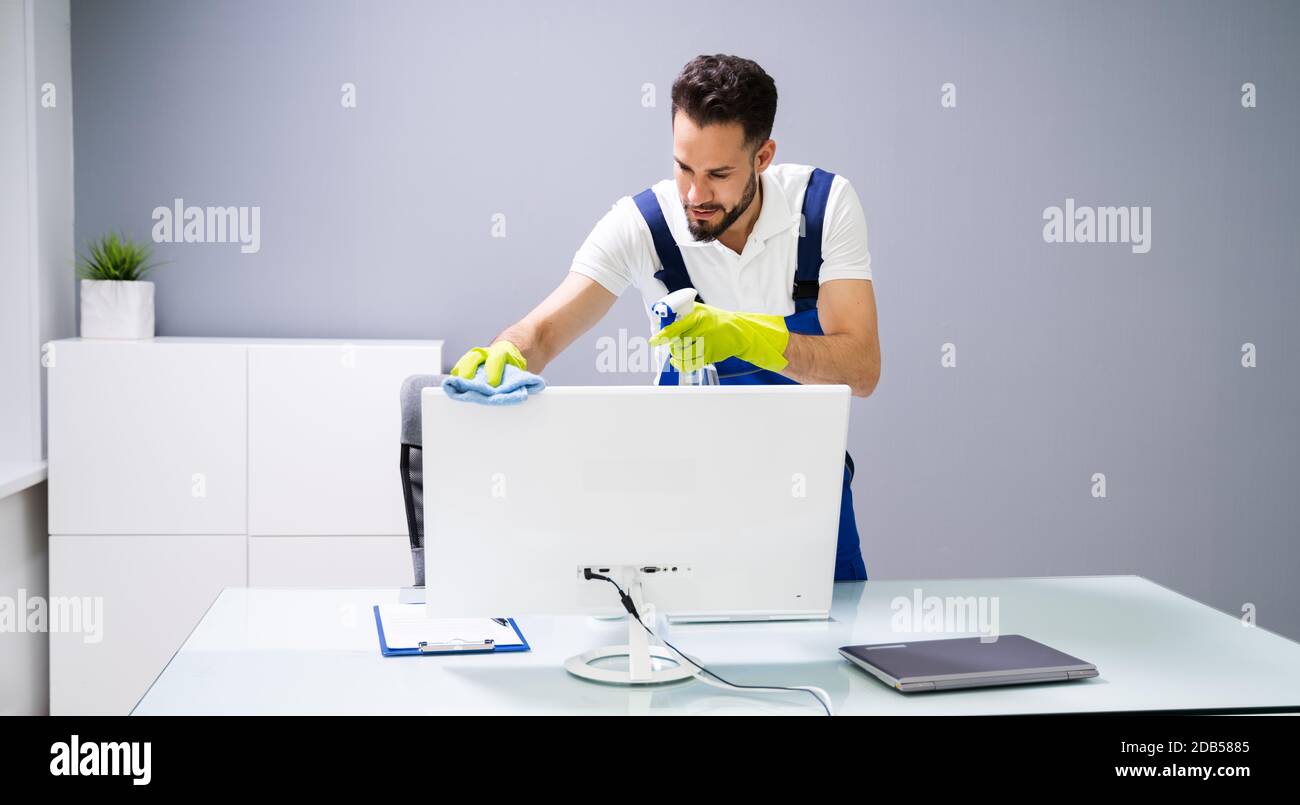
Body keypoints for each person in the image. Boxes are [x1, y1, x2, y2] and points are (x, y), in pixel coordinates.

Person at [450, 54, 880, 580]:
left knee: (829, 654)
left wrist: (741, 334)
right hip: (686, 500)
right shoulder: (643, 224)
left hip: (809, 497)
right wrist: (506, 351)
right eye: (683, 168)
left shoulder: (823, 208)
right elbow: (541, 331)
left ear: (763, 156)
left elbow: (861, 369)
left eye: (719, 174)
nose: (696, 196)